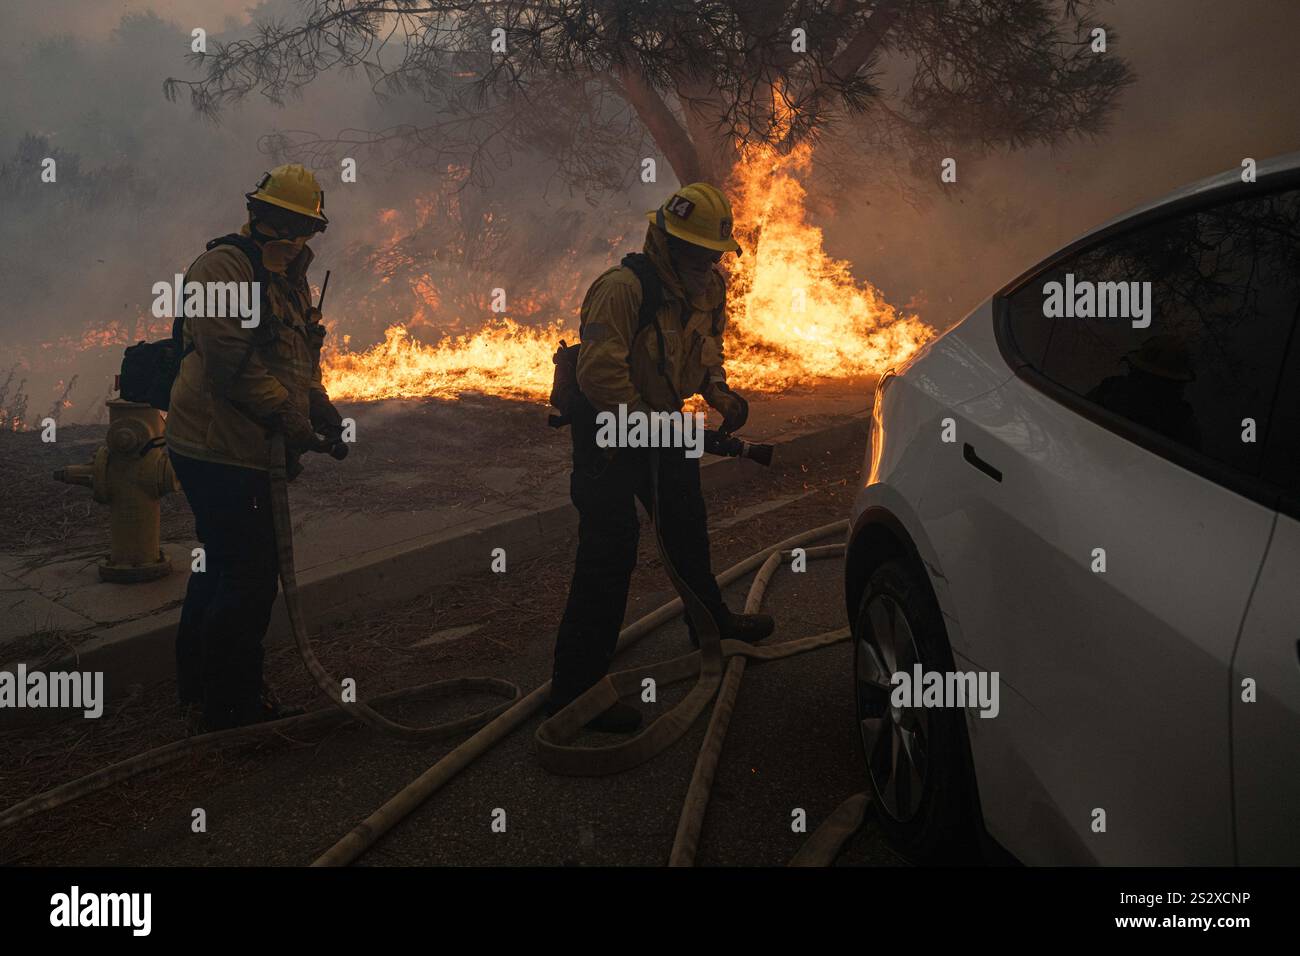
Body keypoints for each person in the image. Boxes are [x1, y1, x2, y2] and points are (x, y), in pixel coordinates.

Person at [547, 182, 774, 734]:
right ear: (667, 241)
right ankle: (576, 692)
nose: (707, 264)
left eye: (714, 255)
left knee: (686, 528)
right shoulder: (622, 289)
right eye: (697, 252)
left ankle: (710, 626)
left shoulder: (708, 291)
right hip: (607, 433)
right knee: (610, 551)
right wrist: (645, 426)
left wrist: (718, 393)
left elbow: (707, 352)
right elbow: (598, 375)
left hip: (663, 427)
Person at [165, 163, 346, 732]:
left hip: (248, 444)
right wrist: (289, 417)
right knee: (249, 573)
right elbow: (232, 365)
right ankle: (233, 706)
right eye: (285, 224)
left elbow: (292, 356)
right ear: (258, 215)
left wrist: (319, 403)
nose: (295, 240)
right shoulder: (222, 269)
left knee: (222, 563)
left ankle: (198, 690)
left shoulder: (289, 278)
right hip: (216, 447)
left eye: (307, 230)